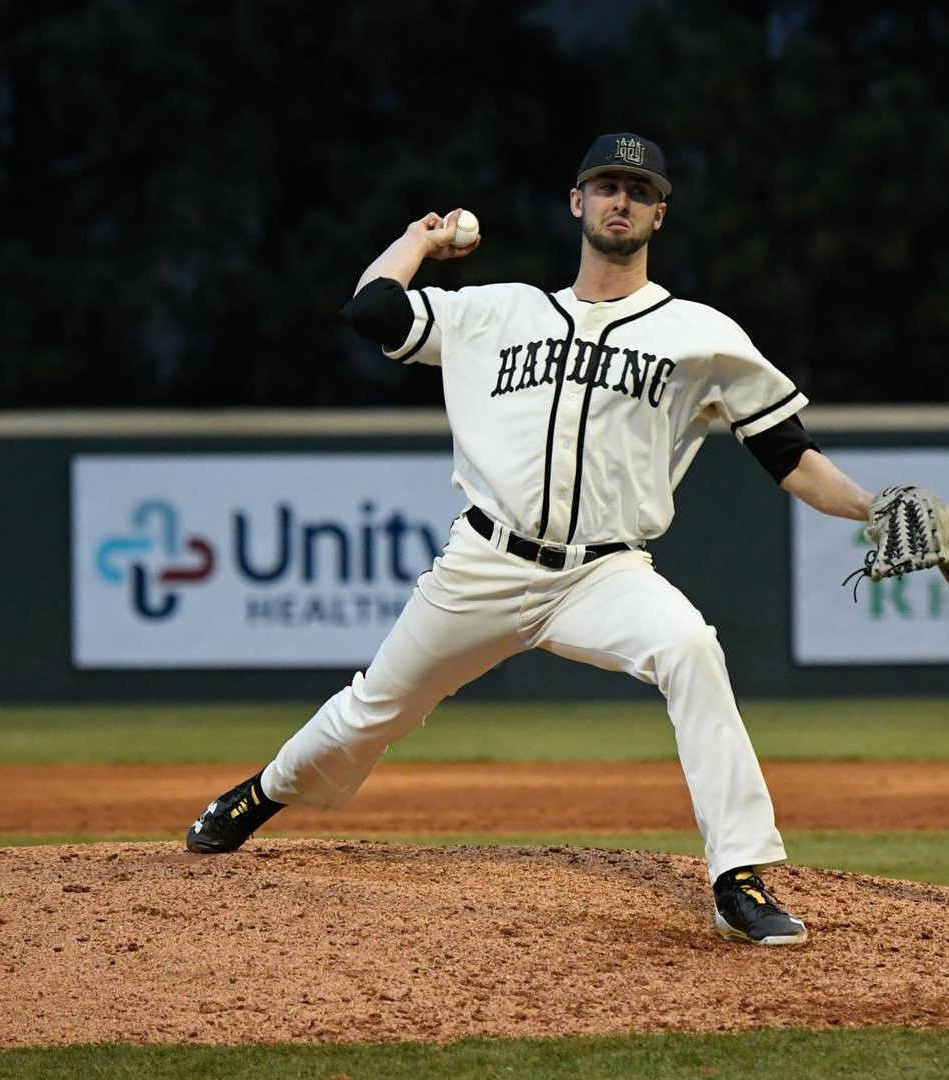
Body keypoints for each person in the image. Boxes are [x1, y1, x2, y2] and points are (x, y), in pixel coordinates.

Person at [183, 132, 883, 947]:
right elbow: (372, 311)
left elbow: (789, 456)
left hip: (604, 574)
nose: (621, 200)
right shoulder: (497, 311)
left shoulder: (702, 336)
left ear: (660, 213)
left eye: (638, 189)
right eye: (606, 185)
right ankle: (263, 793)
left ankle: (738, 875)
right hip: (483, 563)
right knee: (375, 708)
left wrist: (873, 506)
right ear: (577, 202)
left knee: (690, 647)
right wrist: (421, 240)